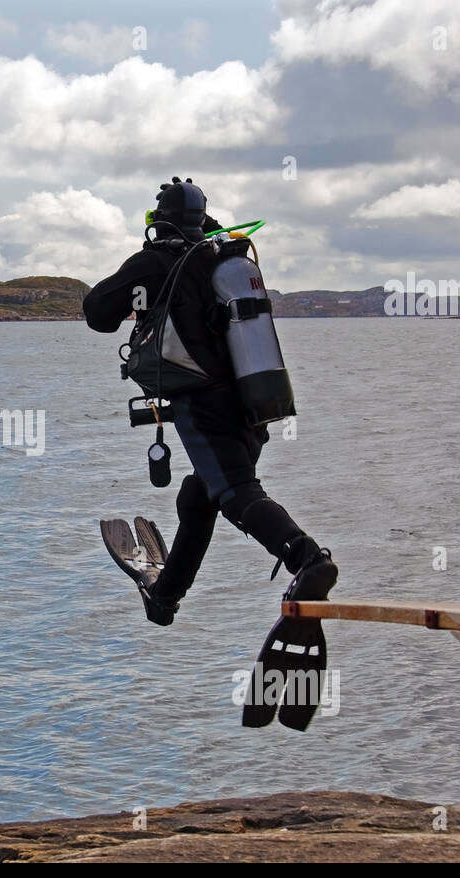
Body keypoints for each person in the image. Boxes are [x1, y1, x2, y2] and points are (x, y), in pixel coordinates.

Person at [84, 176, 337, 625]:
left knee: (235, 491)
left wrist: (144, 271)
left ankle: (308, 560)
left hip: (204, 406)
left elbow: (97, 314)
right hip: (252, 397)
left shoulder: (155, 263)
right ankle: (165, 600)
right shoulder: (218, 258)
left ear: (156, 224)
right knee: (199, 496)